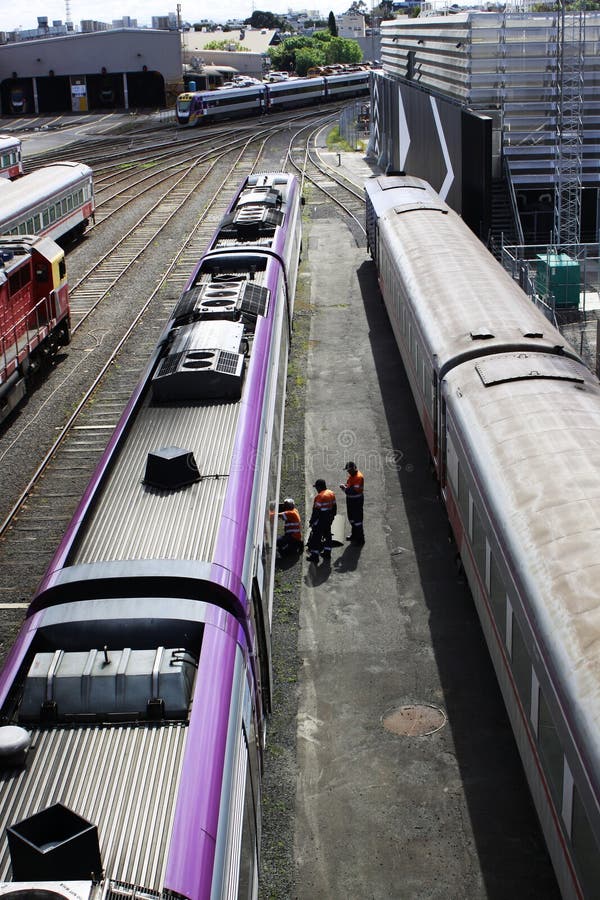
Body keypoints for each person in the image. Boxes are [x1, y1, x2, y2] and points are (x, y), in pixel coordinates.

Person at [307, 478, 337, 562]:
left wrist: (312, 522)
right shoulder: (331, 493)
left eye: (316, 487)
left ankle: (314, 556)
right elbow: (334, 506)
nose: (316, 489)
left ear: (320, 487)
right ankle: (327, 553)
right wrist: (332, 517)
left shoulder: (319, 496)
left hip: (321, 519)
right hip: (329, 518)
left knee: (316, 537)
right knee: (328, 534)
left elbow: (316, 512)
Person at [340, 460, 364, 544]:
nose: (348, 472)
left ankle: (360, 539)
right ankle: (354, 535)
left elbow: (354, 491)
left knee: (357, 521)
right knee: (352, 519)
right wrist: (346, 486)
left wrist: (344, 489)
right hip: (350, 501)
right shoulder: (351, 476)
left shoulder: (359, 477)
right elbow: (350, 486)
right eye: (348, 470)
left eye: (350, 470)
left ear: (354, 468)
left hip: (356, 501)